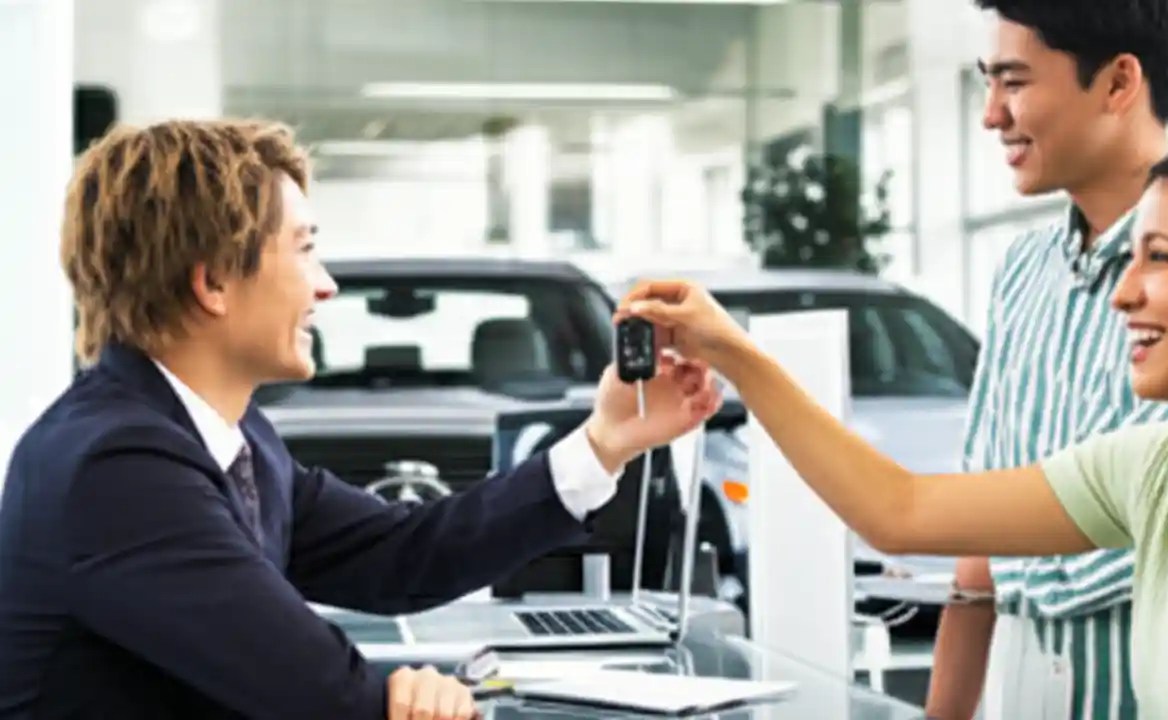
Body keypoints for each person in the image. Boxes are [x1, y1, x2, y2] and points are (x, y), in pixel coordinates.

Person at [0, 118, 723, 720]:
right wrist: (406, 697)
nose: (326, 285)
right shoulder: (119, 468)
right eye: (305, 249)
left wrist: (605, 442)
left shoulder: (224, 436)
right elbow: (315, 693)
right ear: (214, 281)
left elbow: (401, 554)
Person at [617, 133, 1168, 720]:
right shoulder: (1159, 468)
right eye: (1131, 258)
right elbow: (900, 510)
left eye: (1160, 258)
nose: (1123, 293)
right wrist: (732, 351)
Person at [949, 1, 1168, 717]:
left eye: (1015, 82)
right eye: (987, 83)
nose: (991, 115)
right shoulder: (1022, 272)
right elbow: (977, 537)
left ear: (1119, 83)